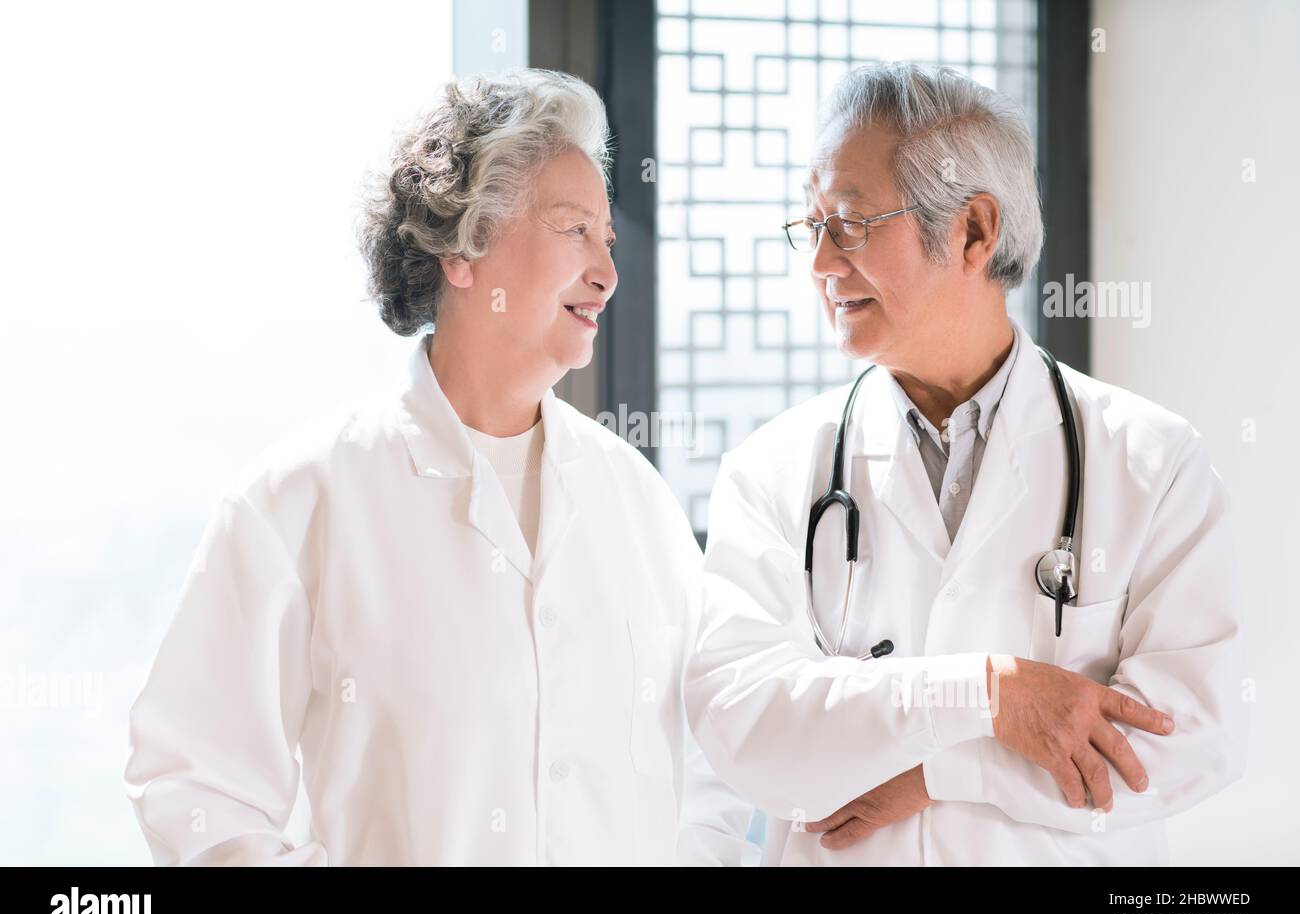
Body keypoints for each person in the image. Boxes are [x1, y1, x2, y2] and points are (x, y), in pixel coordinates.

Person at [125, 69, 757, 866]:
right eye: (573, 230)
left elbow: (709, 774)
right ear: (463, 248)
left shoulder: (639, 503)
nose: (607, 271)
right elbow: (192, 782)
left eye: (607, 238)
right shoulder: (298, 502)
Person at [684, 63, 1247, 866]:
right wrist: (992, 692)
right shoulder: (773, 471)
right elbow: (744, 721)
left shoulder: (1153, 463)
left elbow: (1183, 740)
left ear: (974, 232)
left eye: (846, 223)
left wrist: (940, 770)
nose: (819, 263)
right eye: (808, 225)